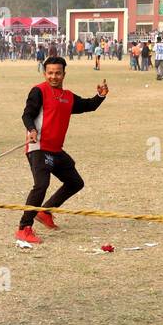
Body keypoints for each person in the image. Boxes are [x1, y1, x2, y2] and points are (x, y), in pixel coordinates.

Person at [13, 57, 108, 245]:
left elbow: (88, 105)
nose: (54, 76)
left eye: (57, 73)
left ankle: (45, 211)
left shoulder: (68, 97)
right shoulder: (38, 91)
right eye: (50, 73)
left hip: (56, 150)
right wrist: (31, 129)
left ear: (64, 74)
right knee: (41, 185)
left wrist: (100, 96)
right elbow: (27, 114)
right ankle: (24, 228)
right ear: (44, 73)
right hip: (38, 147)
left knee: (75, 182)